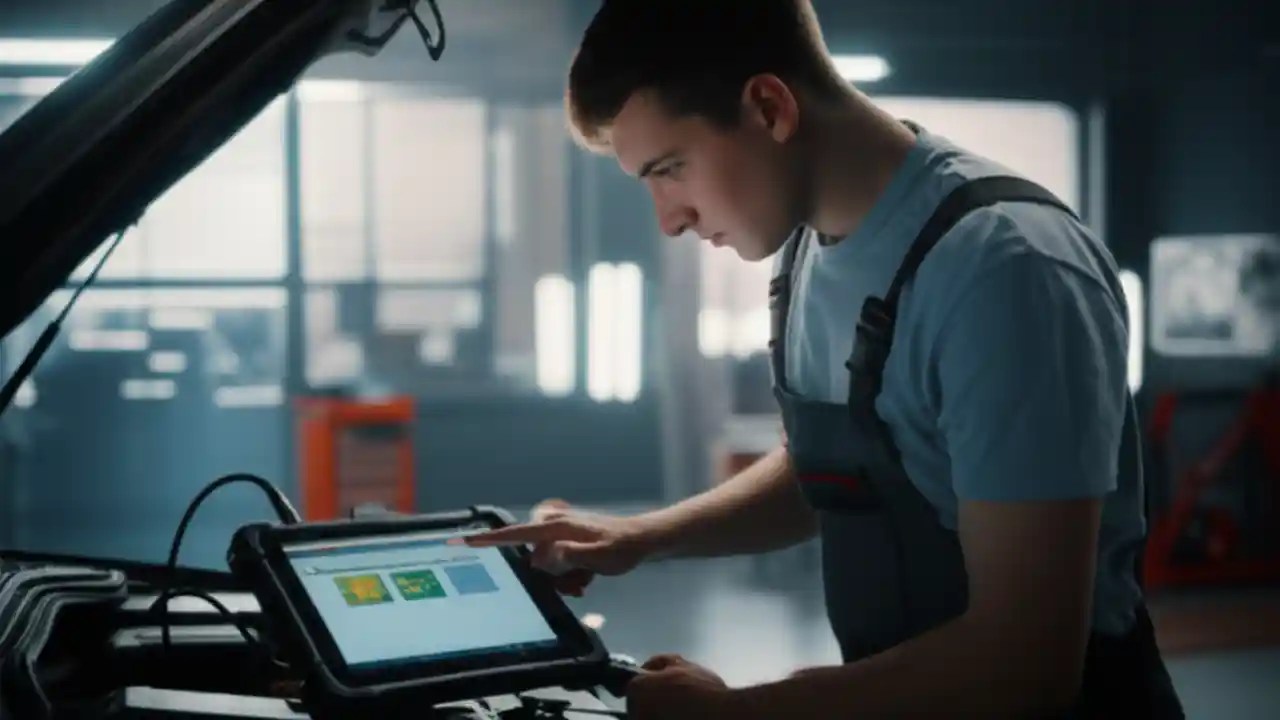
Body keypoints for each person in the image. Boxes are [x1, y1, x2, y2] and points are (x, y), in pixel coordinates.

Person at [465, 1, 1185, 717]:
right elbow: (834, 471)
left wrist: (739, 712)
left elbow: (1024, 665)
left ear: (768, 107)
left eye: (671, 169)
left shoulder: (1006, 273)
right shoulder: (807, 255)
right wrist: (640, 537)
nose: (669, 218)